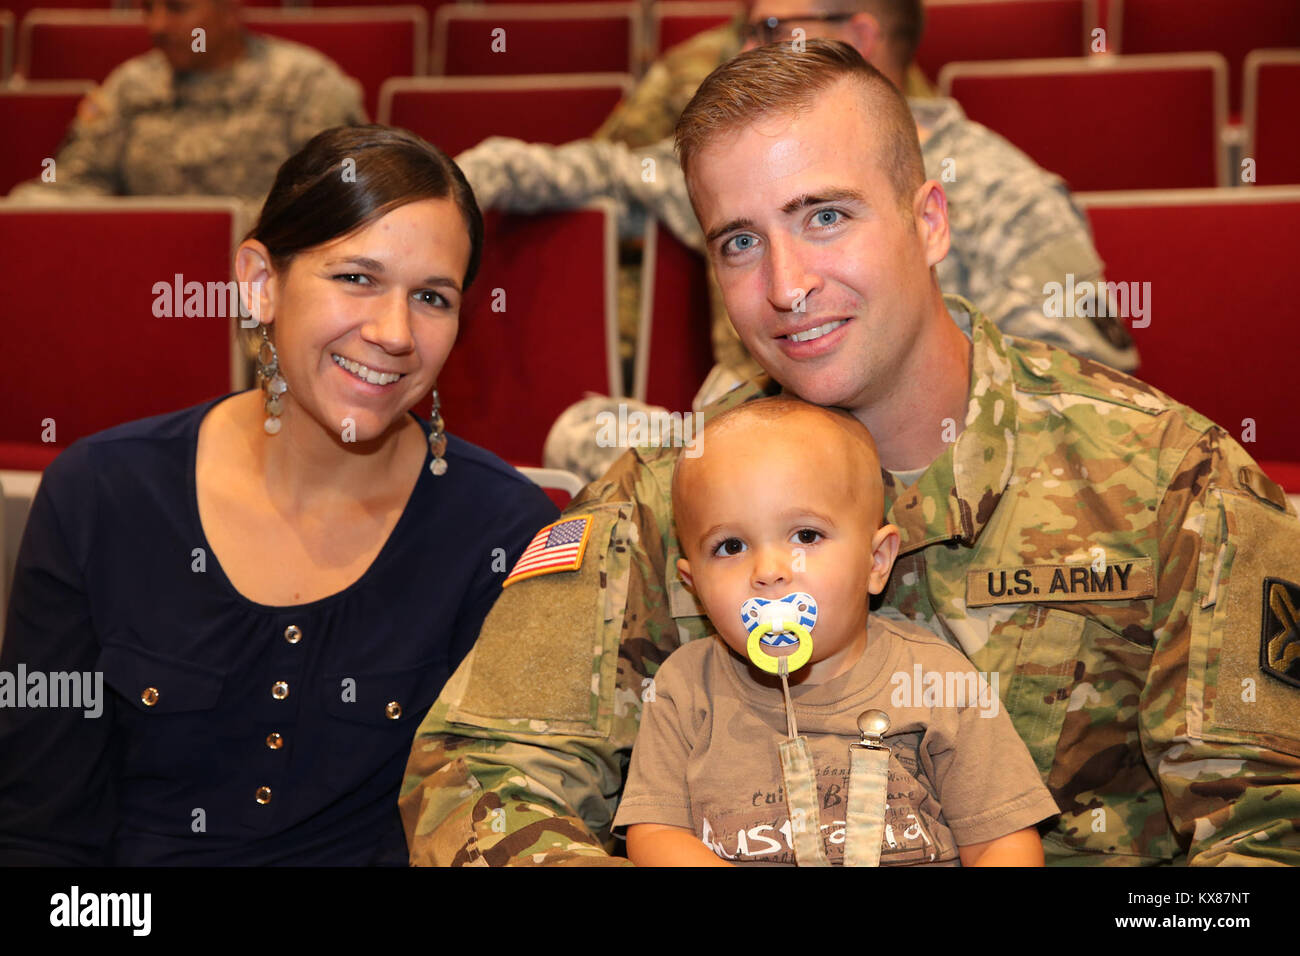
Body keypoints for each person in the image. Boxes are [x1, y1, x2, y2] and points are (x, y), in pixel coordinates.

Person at [400, 41, 1300, 867]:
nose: (786, 287)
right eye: (740, 242)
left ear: (931, 222)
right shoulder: (665, 489)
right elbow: (476, 777)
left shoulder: (1171, 480)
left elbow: (1270, 834)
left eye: (825, 215)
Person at [0, 125, 557, 865]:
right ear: (260, 282)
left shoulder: (501, 531)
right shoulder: (102, 495)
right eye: (356, 277)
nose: (394, 333)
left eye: (431, 296)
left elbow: (497, 829)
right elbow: (40, 833)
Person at [617, 396, 1057, 866]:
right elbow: (656, 833)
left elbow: (1001, 842)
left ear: (876, 561)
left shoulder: (940, 683)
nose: (769, 571)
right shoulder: (683, 688)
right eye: (731, 546)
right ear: (694, 585)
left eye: (806, 535)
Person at [6, 0, 364, 210]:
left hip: (263, 282)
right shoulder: (130, 86)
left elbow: (341, 198)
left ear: (229, 10)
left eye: (177, 8)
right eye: (149, 8)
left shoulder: (305, 84)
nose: (157, 25)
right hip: (144, 271)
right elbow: (69, 184)